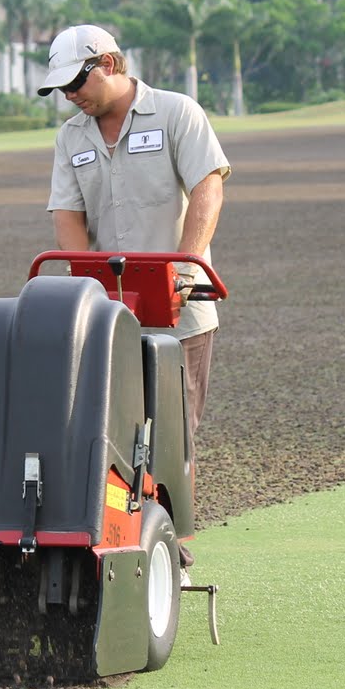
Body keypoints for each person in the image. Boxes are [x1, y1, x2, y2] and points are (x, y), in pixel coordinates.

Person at [40, 23, 230, 439]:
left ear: (107, 64)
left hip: (180, 312)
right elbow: (67, 214)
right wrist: (85, 286)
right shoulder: (70, 137)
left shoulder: (176, 113)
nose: (69, 95)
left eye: (74, 82)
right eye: (61, 88)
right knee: (112, 437)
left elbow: (208, 189)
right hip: (109, 315)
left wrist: (185, 269)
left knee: (173, 439)